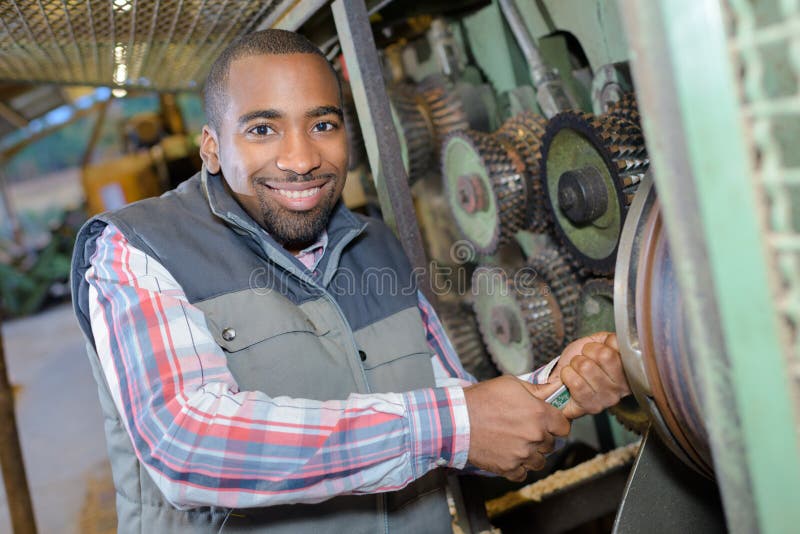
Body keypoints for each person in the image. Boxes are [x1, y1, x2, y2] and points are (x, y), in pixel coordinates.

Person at [70, 29, 631, 533]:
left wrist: (557, 388)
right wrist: (452, 426)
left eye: (323, 125)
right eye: (263, 129)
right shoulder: (139, 249)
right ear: (212, 147)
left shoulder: (375, 245)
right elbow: (188, 446)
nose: (300, 159)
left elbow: (458, 417)